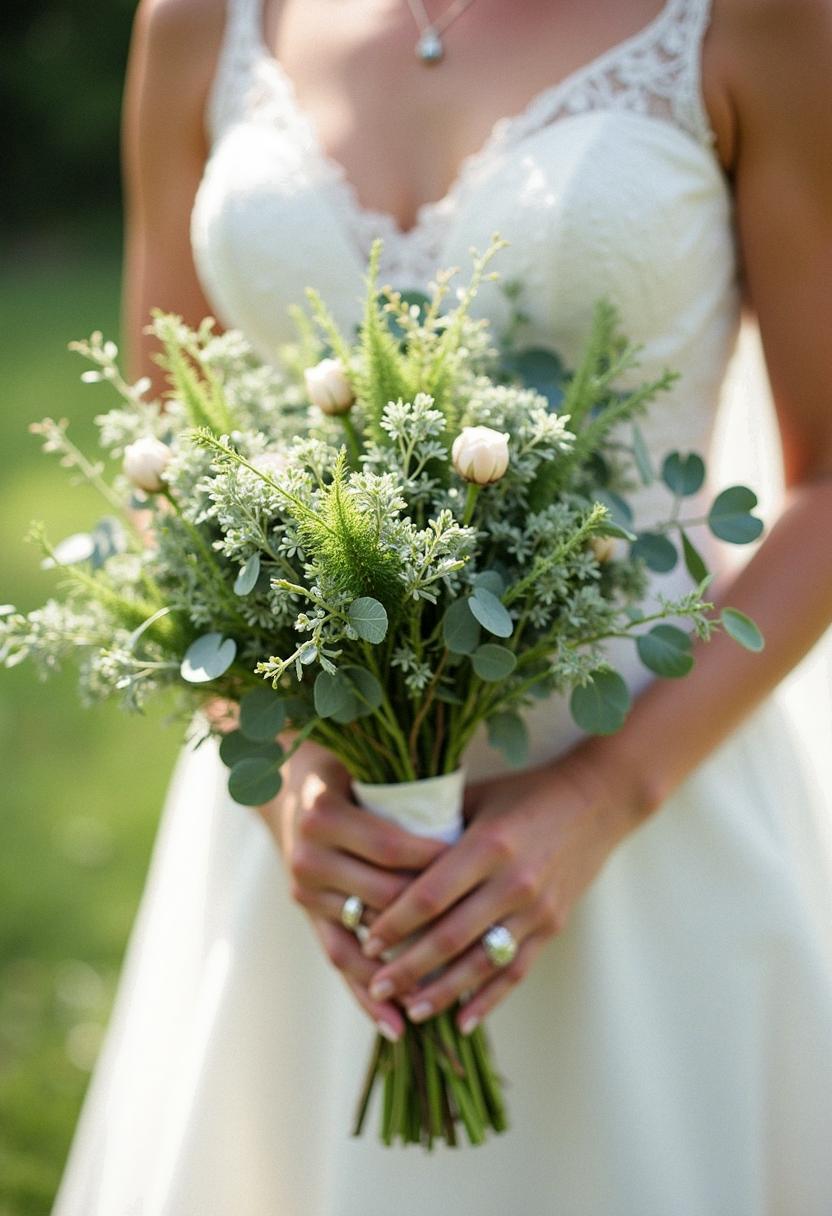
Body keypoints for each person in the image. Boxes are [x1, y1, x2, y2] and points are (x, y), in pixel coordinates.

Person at [54, 0, 832, 1212]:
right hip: (311, 839)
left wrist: (591, 799)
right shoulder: (199, 24)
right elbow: (164, 464)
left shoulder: (755, 21)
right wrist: (285, 776)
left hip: (649, 788)